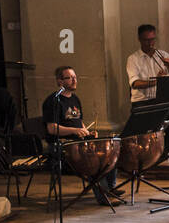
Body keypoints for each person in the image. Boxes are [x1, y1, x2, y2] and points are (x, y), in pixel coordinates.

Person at [43, 65, 121, 206]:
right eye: (70, 78)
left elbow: (78, 122)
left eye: (75, 77)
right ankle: (104, 196)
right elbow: (52, 128)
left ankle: (110, 189)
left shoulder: (75, 99)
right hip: (62, 146)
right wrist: (74, 131)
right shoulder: (53, 101)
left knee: (111, 149)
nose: (74, 80)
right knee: (94, 158)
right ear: (60, 81)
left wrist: (86, 131)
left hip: (79, 143)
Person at [126, 24, 169, 103]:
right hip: (142, 101)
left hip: (163, 99)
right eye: (146, 40)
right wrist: (158, 81)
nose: (150, 43)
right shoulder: (133, 59)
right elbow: (135, 83)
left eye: (152, 39)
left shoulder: (164, 55)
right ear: (139, 39)